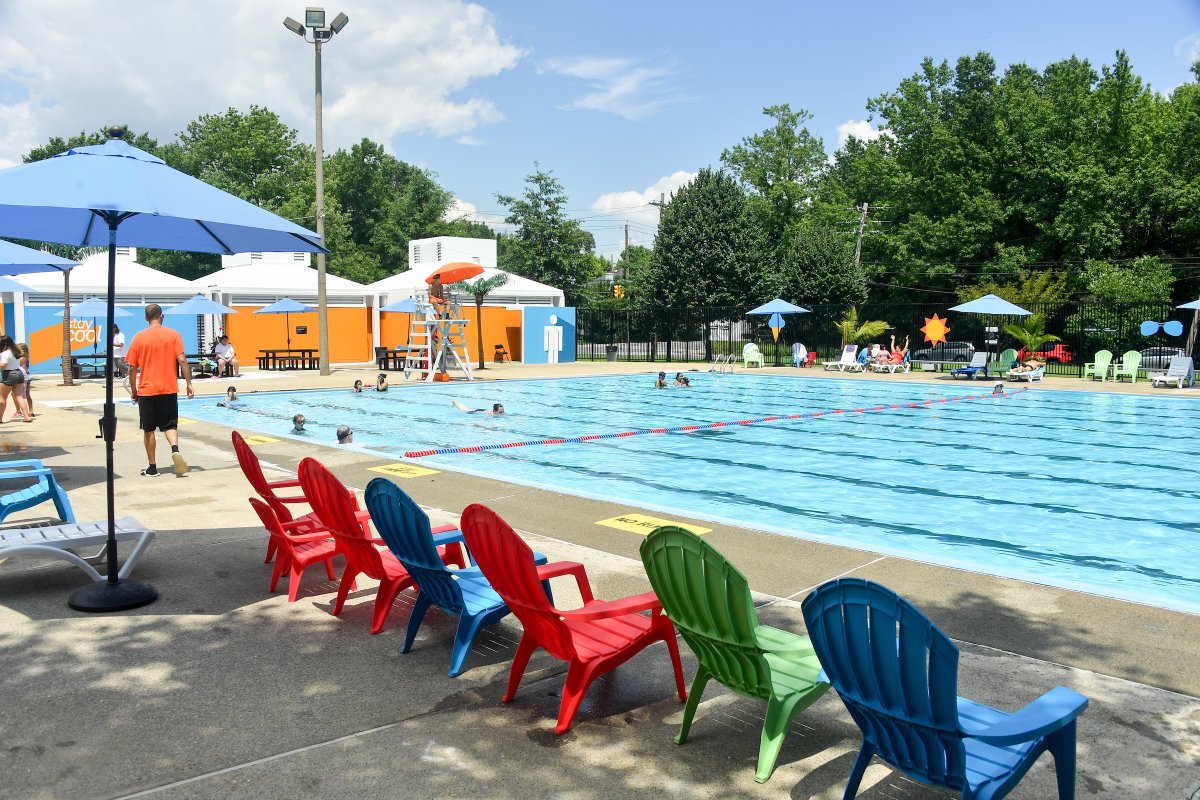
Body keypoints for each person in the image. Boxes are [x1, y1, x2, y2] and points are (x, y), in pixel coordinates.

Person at [125, 303, 194, 476]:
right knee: (170, 425)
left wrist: (134, 390)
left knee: (149, 429)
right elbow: (183, 360)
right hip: (169, 388)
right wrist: (189, 383)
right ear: (161, 316)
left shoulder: (138, 338)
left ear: (146, 318)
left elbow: (132, 368)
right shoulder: (173, 335)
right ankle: (175, 449)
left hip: (147, 390)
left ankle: (152, 467)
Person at [0, 334, 32, 423]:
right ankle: (26, 417)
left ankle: (0, 418)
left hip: (9, 374)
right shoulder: (16, 351)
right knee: (19, 397)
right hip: (19, 373)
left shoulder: (5, 353)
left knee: (2, 398)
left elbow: (4, 365)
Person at [14, 342, 33, 420]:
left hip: (24, 378)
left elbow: (24, 369)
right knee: (27, 394)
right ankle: (30, 411)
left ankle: (20, 411)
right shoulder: (24, 358)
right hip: (25, 378)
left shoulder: (21, 358)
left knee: (18, 395)